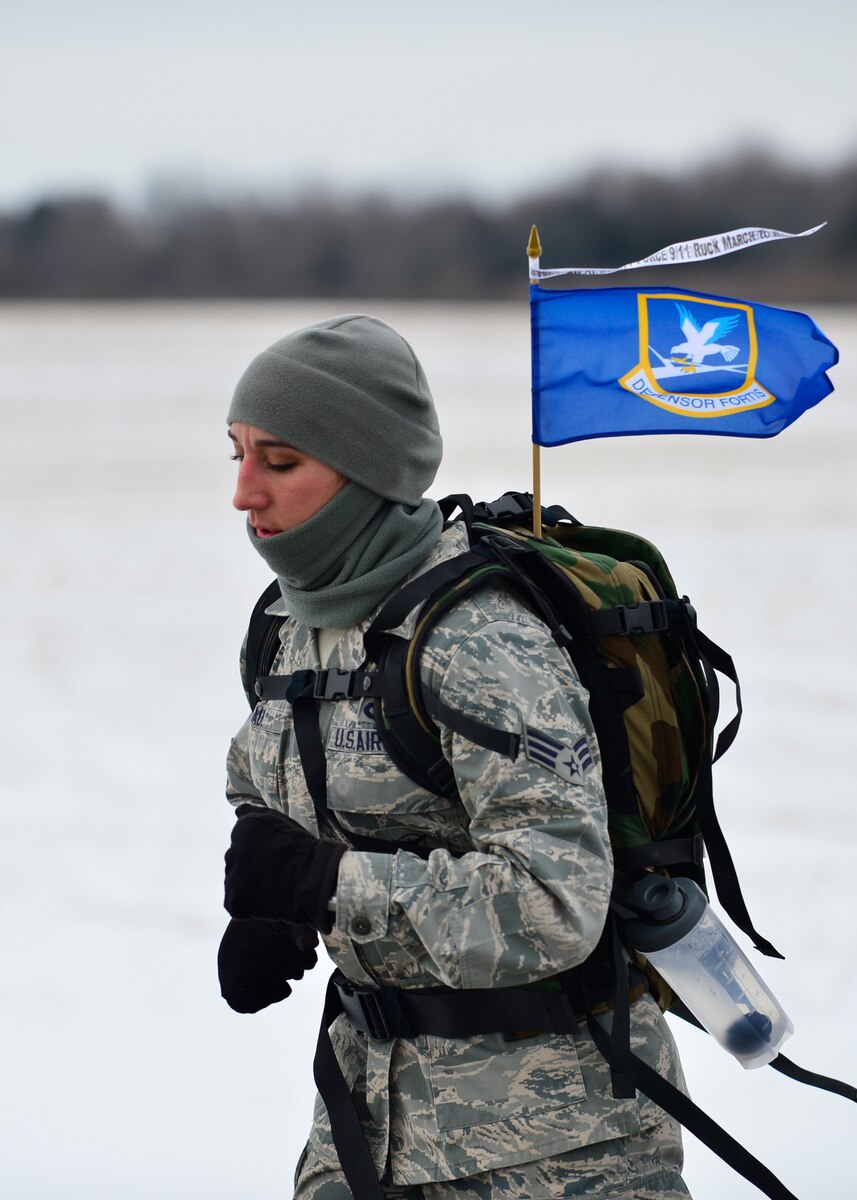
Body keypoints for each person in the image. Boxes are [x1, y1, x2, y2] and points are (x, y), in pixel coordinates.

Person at [218, 314, 691, 1199]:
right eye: (236, 455)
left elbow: (555, 900)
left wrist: (327, 885)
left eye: (278, 462)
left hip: (552, 1151)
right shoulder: (290, 625)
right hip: (361, 1133)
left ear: (368, 469)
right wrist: (272, 912)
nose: (245, 493)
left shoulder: (479, 640)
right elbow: (266, 780)